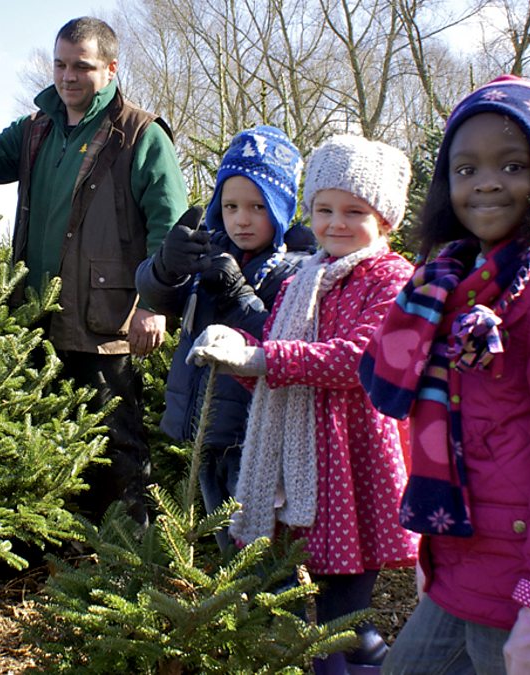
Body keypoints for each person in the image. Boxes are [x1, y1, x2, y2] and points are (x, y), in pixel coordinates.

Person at [360, 76, 530, 675]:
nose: (485, 182)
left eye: (512, 164)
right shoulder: (453, 281)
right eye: (465, 169)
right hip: (465, 569)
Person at [0, 17, 189, 524]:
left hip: (106, 319)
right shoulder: (38, 129)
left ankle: (131, 554)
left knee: (115, 441)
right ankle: (61, 550)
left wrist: (156, 306)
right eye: (60, 64)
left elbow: (172, 225)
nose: (68, 76)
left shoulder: (138, 134)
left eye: (82, 66)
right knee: (43, 439)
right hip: (36, 315)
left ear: (111, 69)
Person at [188, 134, 420, 674]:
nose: (336, 223)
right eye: (324, 210)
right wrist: (237, 358)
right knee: (292, 610)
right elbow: (270, 369)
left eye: (354, 211)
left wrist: (262, 359)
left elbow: (359, 359)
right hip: (295, 465)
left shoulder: (391, 277)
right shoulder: (303, 277)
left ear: (384, 219)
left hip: (351, 463)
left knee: (342, 616)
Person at [135, 125, 315, 550]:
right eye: (231, 206)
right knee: (223, 531)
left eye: (257, 206)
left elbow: (281, 340)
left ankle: (271, 609)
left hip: (256, 433)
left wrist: (240, 294)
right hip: (208, 426)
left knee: (257, 539)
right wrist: (165, 267)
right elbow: (157, 296)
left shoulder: (296, 268)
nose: (242, 219)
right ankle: (236, 602)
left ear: (281, 207)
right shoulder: (209, 250)